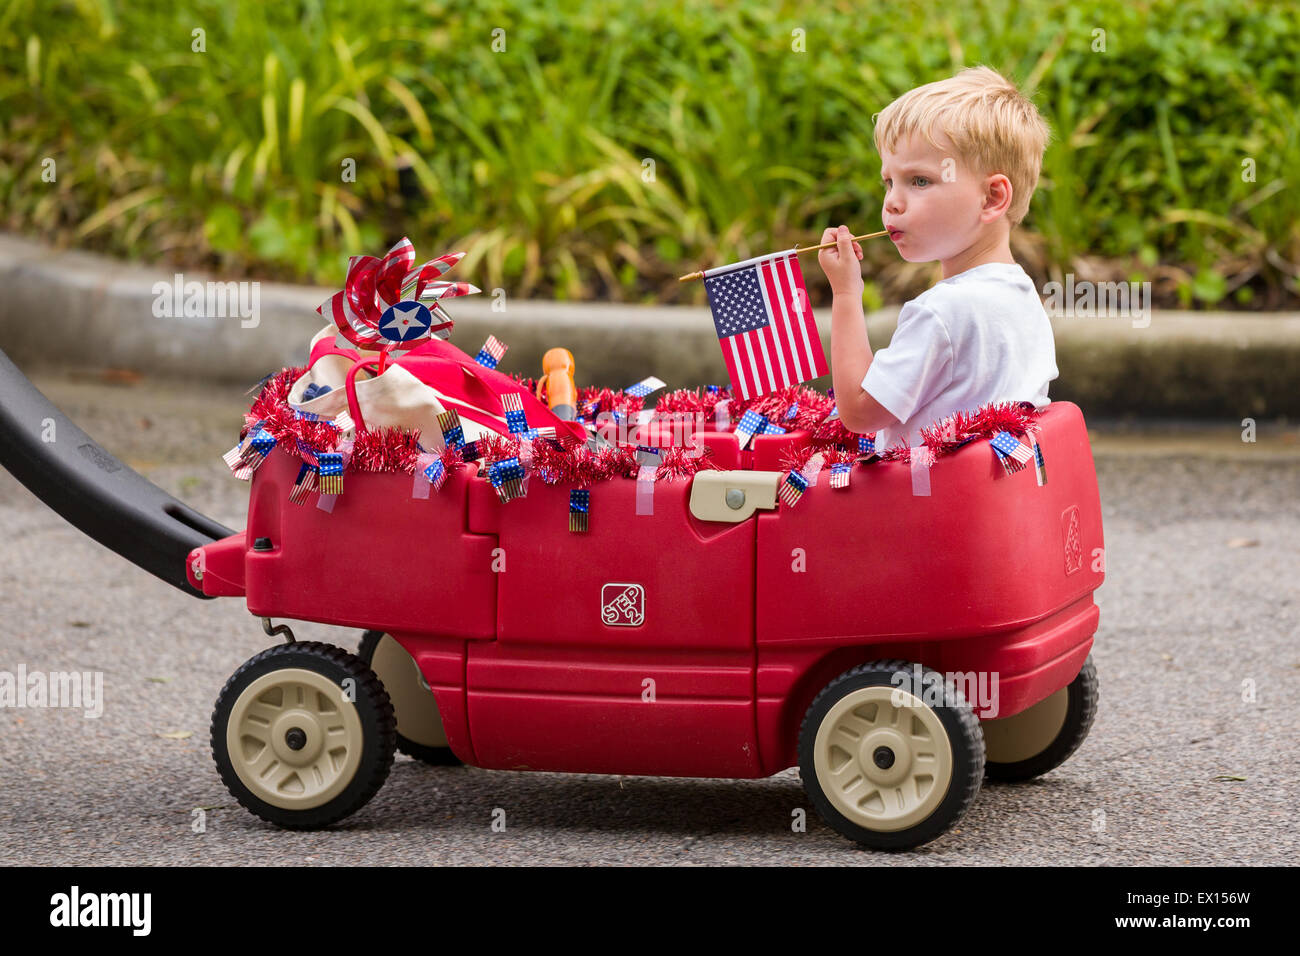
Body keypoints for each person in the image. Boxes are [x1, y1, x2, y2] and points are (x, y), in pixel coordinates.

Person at [818, 65, 1058, 451]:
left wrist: (846, 294)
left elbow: (860, 414)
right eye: (889, 181)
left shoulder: (941, 312)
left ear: (992, 198)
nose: (892, 202)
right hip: (992, 503)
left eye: (920, 181)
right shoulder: (1022, 294)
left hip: (926, 507)